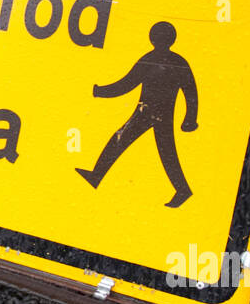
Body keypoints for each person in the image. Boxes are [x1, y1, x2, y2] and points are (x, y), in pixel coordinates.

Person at [76, 21, 198, 206]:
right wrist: (190, 119)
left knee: (162, 151)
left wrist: (100, 91)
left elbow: (126, 84)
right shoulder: (171, 61)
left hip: (154, 114)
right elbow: (128, 83)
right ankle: (96, 175)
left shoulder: (162, 61)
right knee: (125, 140)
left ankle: (182, 190)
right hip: (148, 112)